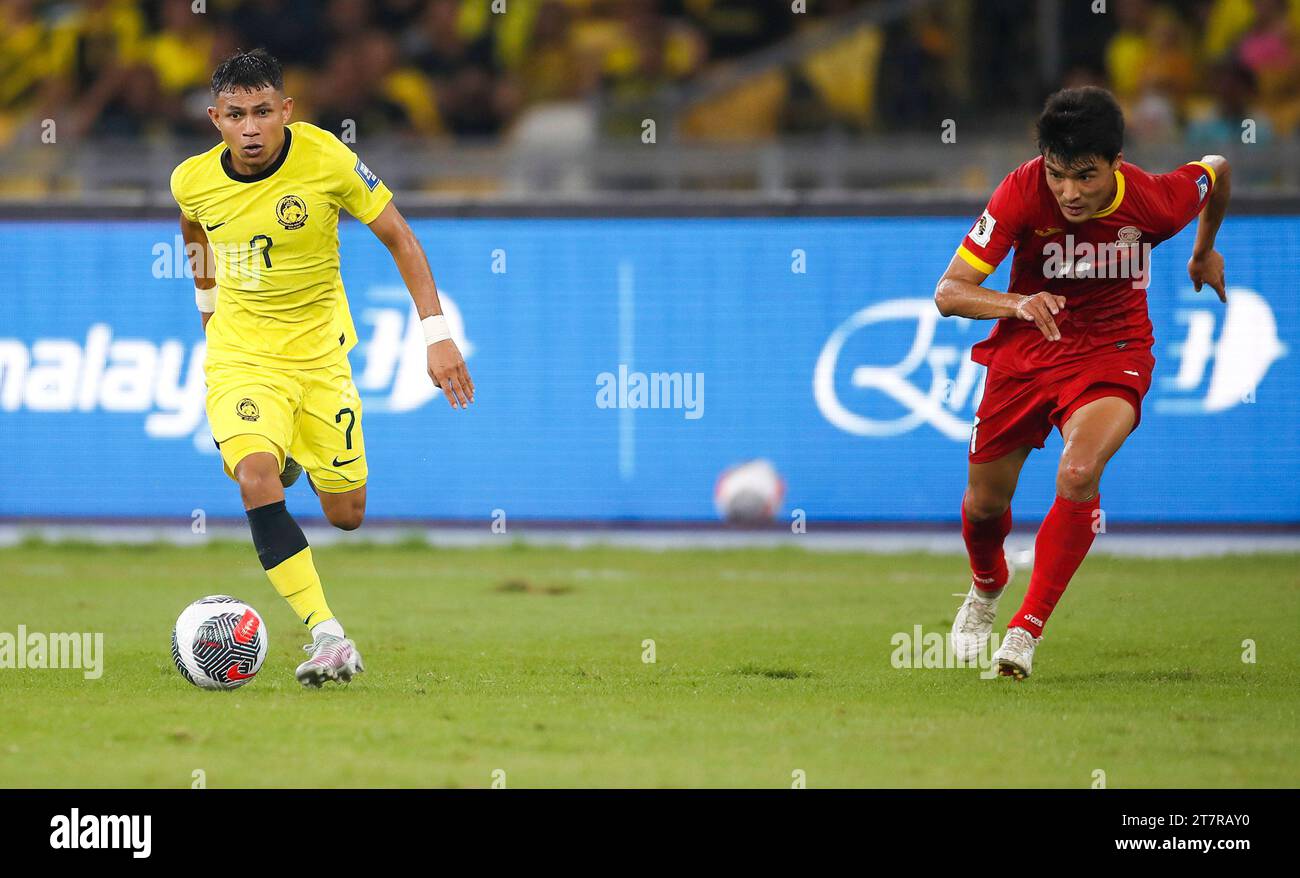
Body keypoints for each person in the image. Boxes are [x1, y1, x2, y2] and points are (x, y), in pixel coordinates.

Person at [170, 48, 474, 687]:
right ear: (214, 119)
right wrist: (207, 307)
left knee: (346, 513)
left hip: (320, 361)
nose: (250, 128)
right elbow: (194, 234)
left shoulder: (327, 159)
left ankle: (291, 454)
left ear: (286, 111)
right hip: (242, 357)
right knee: (255, 476)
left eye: (261, 112)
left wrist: (437, 335)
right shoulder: (192, 179)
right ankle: (328, 634)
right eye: (234, 115)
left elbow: (399, 236)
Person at [934, 86, 1230, 679]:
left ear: (1116, 164)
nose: (1068, 192)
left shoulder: (1156, 201)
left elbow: (1217, 170)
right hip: (1024, 351)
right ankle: (988, 585)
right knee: (984, 504)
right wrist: (1018, 304)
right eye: (1058, 174)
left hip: (1110, 350)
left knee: (1077, 471)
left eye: (1085, 177)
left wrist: (1203, 250)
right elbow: (949, 292)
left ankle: (1024, 632)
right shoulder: (1022, 189)